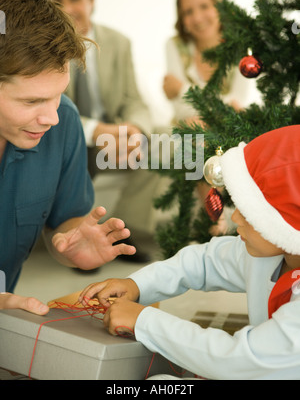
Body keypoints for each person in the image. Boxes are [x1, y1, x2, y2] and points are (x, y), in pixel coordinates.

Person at [79, 125, 300, 380]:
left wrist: (144, 321)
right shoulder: (270, 254)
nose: (235, 217)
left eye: (251, 212)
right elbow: (205, 262)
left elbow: (243, 360)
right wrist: (136, 284)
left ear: (286, 225)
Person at [0, 0, 137, 316]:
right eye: (32, 100)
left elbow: (64, 225)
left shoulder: (63, 122)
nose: (52, 118)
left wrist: (71, 245)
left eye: (57, 94)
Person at [42, 0, 160, 261]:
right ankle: (77, 242)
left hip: (111, 144)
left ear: (91, 0)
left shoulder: (118, 43)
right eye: (57, 2)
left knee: (161, 143)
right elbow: (47, 108)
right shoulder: (39, 48)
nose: (67, 8)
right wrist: (96, 131)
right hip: (62, 142)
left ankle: (125, 231)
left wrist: (135, 129)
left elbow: (134, 99)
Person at [163, 0, 261, 124]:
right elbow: (181, 111)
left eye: (204, 6)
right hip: (187, 135)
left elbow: (236, 106)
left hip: (229, 135)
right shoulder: (174, 45)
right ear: (181, 18)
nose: (197, 18)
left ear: (219, 7)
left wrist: (182, 89)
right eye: (188, 12)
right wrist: (221, 106)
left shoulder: (240, 48)